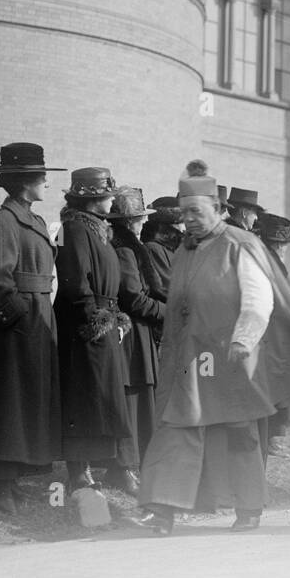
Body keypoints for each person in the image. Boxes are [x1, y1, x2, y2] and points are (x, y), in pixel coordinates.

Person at [135, 161, 290, 535]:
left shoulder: (241, 245)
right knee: (176, 428)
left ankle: (248, 508)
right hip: (189, 358)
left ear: (219, 210)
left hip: (232, 354)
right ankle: (162, 511)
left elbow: (260, 300)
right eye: (185, 212)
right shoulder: (184, 252)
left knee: (240, 431)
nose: (189, 219)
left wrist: (244, 338)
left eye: (197, 212)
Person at [0, 143, 65, 514]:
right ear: (24, 182)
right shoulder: (5, 221)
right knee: (9, 404)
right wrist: (22, 315)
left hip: (36, 320)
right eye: (41, 176)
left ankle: (13, 478)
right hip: (14, 331)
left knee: (27, 403)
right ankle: (0, 483)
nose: (46, 182)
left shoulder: (32, 219)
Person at [54, 167, 136, 495]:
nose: (111, 199)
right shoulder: (74, 229)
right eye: (106, 194)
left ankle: (112, 468)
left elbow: (108, 286)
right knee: (84, 398)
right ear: (91, 199)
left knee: (103, 399)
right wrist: (99, 323)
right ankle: (78, 471)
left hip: (104, 321)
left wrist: (115, 320)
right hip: (84, 327)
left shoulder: (98, 230)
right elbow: (76, 282)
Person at [110, 186, 165, 474]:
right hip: (132, 336)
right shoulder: (124, 250)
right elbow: (133, 297)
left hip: (140, 333)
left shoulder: (131, 247)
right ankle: (124, 468)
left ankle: (135, 465)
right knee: (133, 399)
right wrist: (165, 313)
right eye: (140, 218)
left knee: (141, 399)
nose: (144, 222)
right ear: (129, 221)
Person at [257, 212, 290, 459]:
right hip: (271, 334)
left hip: (274, 333)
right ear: (276, 244)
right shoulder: (270, 263)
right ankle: (271, 438)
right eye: (283, 245)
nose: (285, 250)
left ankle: (273, 437)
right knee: (275, 389)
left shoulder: (268, 261)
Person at [140, 195, 182, 310]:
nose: (183, 228)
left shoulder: (173, 247)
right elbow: (164, 287)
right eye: (180, 223)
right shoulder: (153, 248)